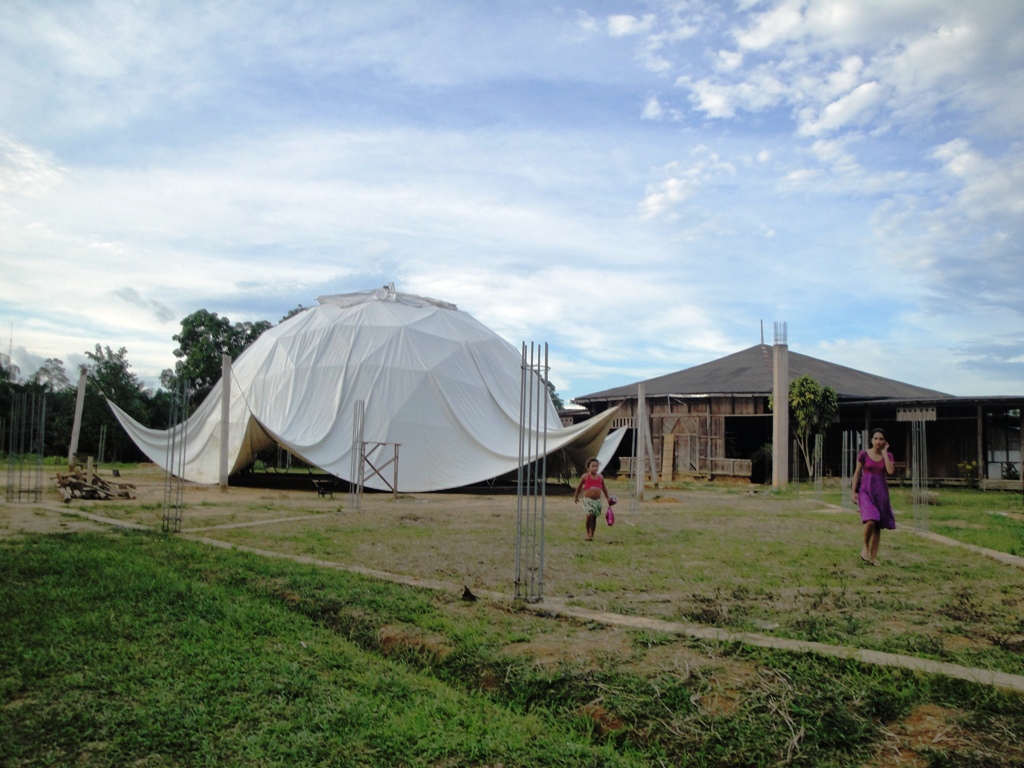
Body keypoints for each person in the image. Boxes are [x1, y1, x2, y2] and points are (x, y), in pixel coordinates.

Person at [850, 428, 896, 565]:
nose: (878, 441)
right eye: (875, 438)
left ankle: (874, 557)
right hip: (865, 491)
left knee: (878, 525)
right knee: (871, 520)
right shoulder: (863, 454)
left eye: (881, 439)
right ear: (871, 440)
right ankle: (865, 546)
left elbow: (890, 471)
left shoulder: (889, 456)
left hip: (881, 493)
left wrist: (885, 454)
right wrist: (853, 492)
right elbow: (857, 473)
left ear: (885, 442)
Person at [574, 457, 611, 541]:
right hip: (588, 500)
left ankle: (592, 534)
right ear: (588, 468)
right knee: (589, 515)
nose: (595, 468)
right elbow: (579, 487)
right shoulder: (585, 476)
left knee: (594, 517)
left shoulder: (600, 477)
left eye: (596, 466)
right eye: (593, 466)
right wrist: (576, 496)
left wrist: (608, 498)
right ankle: (587, 533)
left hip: (597, 501)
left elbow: (604, 489)